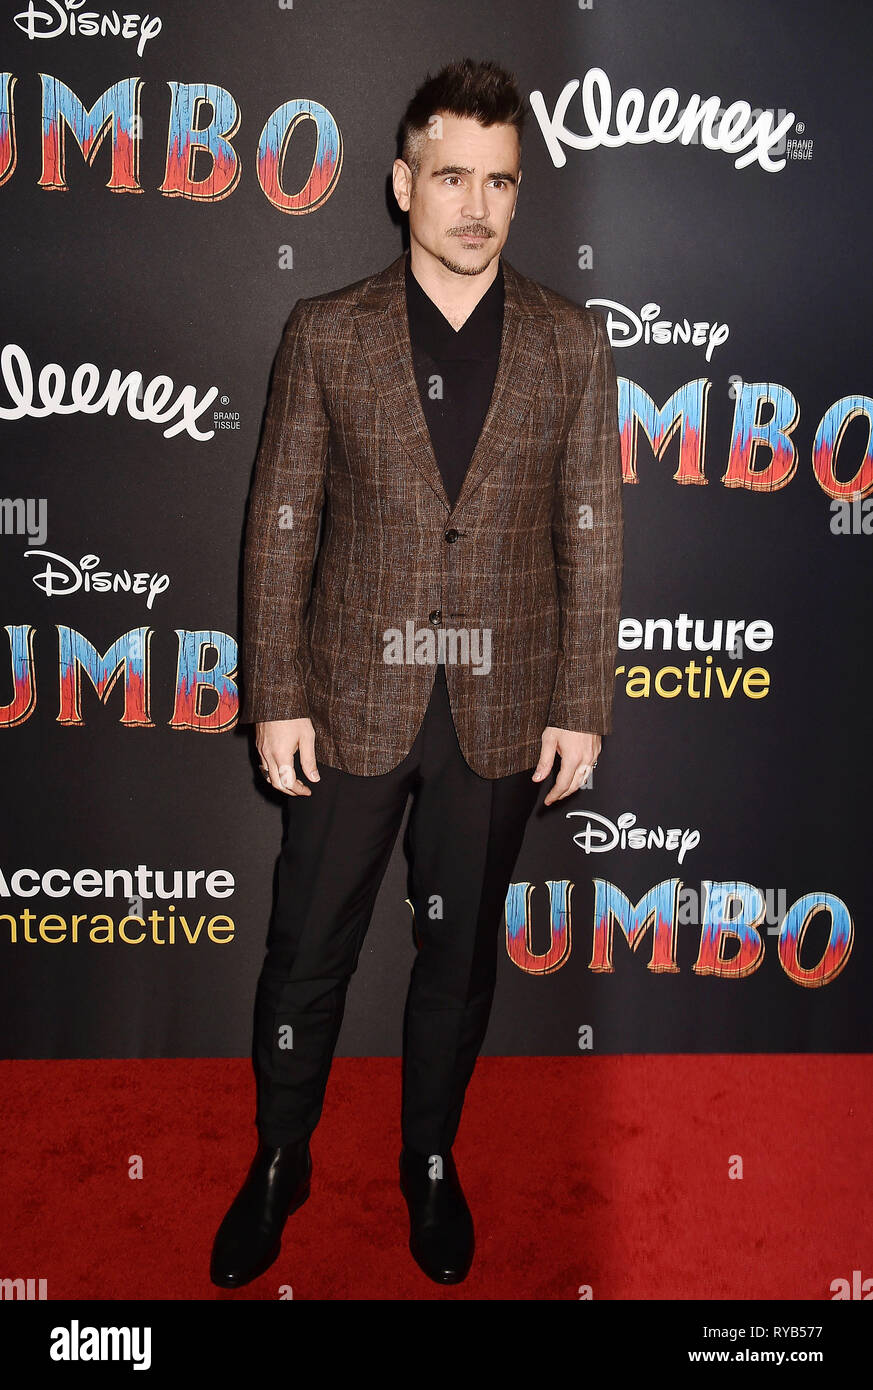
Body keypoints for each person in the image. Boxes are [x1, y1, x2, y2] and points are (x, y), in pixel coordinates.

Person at [211, 56, 624, 1289]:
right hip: (350, 697)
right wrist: (276, 689)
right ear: (402, 185)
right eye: (452, 176)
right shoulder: (325, 332)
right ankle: (281, 1157)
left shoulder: (569, 342)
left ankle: (430, 1161)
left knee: (460, 962)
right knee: (306, 952)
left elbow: (591, 528)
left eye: (500, 181)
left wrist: (582, 703)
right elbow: (280, 520)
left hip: (498, 708)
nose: (476, 204)